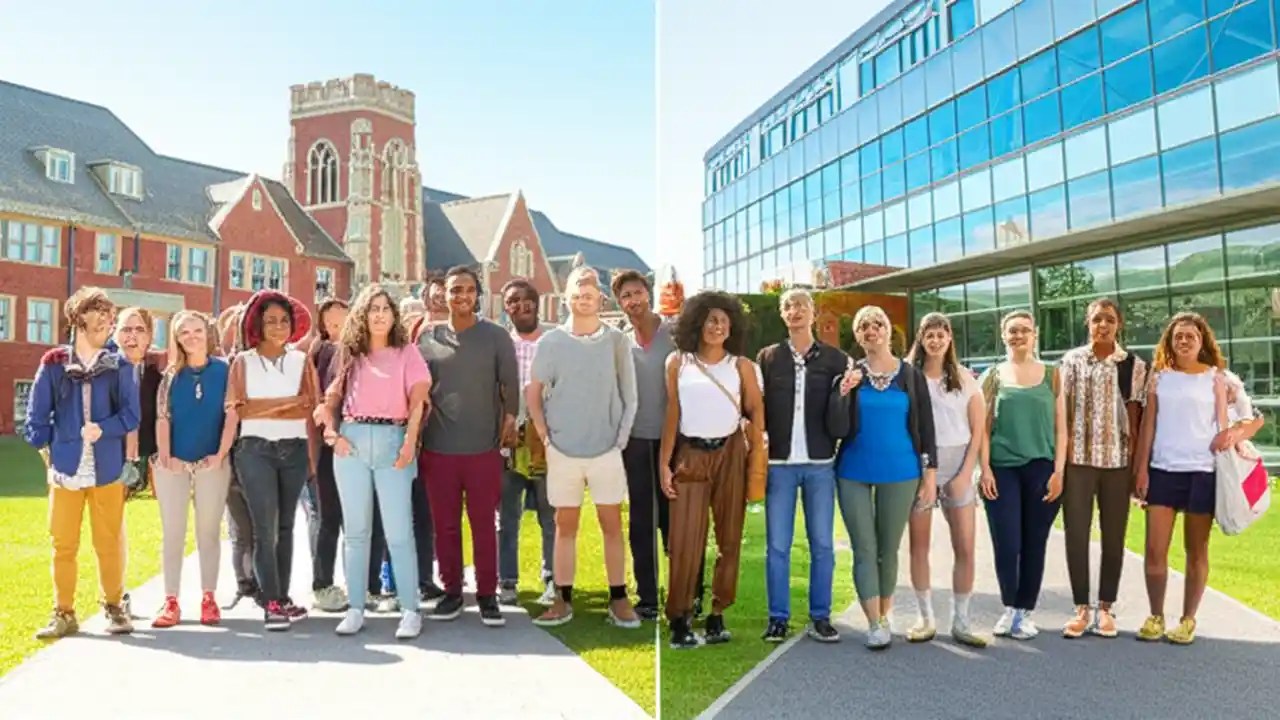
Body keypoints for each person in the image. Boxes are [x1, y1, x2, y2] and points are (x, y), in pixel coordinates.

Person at [1133, 312, 1263, 645]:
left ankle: (1188, 620)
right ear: (1170, 341)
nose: (1185, 340)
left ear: (1202, 340)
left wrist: (1232, 434)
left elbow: (1247, 419)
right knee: (1154, 550)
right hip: (1163, 470)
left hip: (1202, 472)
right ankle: (1155, 616)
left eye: (1192, 335)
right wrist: (1141, 469)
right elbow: (1147, 427)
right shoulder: (1159, 378)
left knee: (1196, 550)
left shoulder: (1218, 378)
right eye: (1179, 336)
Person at [527, 267, 641, 629]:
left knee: (611, 525)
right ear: (567, 298)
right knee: (565, 526)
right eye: (578, 289)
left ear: (600, 299)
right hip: (562, 449)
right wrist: (545, 436)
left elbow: (630, 396)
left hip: (606, 449)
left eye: (591, 290)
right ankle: (561, 599)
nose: (584, 295)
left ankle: (619, 599)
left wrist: (619, 440)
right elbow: (533, 392)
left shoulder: (617, 342)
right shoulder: (551, 343)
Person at [25, 286, 140, 638]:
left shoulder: (120, 365)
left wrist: (101, 430)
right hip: (65, 471)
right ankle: (64, 612)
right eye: (98, 313)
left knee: (107, 542)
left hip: (106, 469)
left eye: (109, 315)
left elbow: (131, 416)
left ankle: (115, 607)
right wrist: (48, 453)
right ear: (78, 318)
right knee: (63, 544)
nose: (107, 320)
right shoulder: (54, 364)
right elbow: (36, 418)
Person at [317, 285, 431, 639]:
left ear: (394, 315)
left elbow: (418, 400)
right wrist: (332, 435)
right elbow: (329, 399)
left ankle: (411, 609)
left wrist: (410, 442)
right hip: (351, 442)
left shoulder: (407, 353)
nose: (380, 314)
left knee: (398, 532)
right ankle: (354, 608)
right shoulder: (350, 354)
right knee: (355, 533)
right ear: (362, 316)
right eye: (372, 308)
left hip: (393, 441)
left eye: (386, 308)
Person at [661, 291, 766, 649]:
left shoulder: (742, 367)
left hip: (731, 454)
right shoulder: (678, 362)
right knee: (685, 541)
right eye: (710, 320)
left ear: (731, 327)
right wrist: (664, 463)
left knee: (729, 539)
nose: (717, 326)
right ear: (697, 323)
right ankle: (679, 617)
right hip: (690, 453)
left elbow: (756, 416)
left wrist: (755, 468)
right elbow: (672, 416)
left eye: (723, 320)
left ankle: (717, 614)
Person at [417, 265, 519, 626]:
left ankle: (488, 595)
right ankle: (452, 592)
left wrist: (509, 422)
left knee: (482, 523)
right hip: (438, 448)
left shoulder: (496, 337)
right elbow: (418, 392)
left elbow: (510, 385)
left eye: (468, 290)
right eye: (454, 289)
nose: (461, 296)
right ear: (442, 295)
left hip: (483, 448)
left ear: (478, 295)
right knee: (444, 524)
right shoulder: (427, 339)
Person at [835, 305, 937, 650]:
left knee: (887, 549)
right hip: (853, 471)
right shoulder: (849, 375)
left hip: (901, 470)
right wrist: (842, 393)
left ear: (889, 331)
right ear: (858, 336)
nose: (871, 330)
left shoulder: (910, 375)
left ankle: (885, 610)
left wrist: (930, 474)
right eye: (863, 326)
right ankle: (875, 623)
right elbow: (833, 425)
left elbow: (926, 428)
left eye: (878, 324)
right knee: (864, 548)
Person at [758, 289, 855, 644]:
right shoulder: (768, 358)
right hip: (780, 465)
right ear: (783, 315)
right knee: (778, 546)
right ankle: (778, 618)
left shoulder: (836, 359)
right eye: (788, 306)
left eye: (801, 305)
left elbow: (844, 414)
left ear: (813, 313)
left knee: (822, 545)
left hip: (820, 464)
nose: (794, 311)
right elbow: (757, 408)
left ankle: (821, 617)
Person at [225, 290, 321, 631]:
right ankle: (271, 603)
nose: (278, 327)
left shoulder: (301, 361)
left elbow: (311, 404)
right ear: (257, 325)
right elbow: (239, 408)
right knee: (265, 528)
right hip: (254, 451)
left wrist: (266, 406)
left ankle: (283, 595)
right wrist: (285, 405)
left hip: (293, 450)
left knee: (286, 527)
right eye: (270, 321)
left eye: (284, 321)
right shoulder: (243, 362)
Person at [1058, 299, 1148, 639]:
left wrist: (1139, 469)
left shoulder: (1133, 366)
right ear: (1088, 323)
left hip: (1117, 463)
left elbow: (1137, 419)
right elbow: (1062, 414)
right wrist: (1060, 464)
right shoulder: (1071, 361)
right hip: (1078, 462)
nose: (1103, 325)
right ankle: (1081, 607)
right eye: (1097, 319)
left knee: (1114, 537)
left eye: (1109, 320)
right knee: (1076, 535)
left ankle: (1106, 607)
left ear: (1119, 324)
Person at [978, 310, 1066, 641]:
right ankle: (1009, 608)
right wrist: (983, 468)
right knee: (1007, 542)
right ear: (1004, 336)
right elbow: (982, 428)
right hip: (1001, 468)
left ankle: (1025, 612)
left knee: (1034, 542)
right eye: (1012, 331)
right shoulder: (992, 376)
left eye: (1024, 331)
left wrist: (1059, 471)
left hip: (1041, 468)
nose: (1018, 336)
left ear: (1035, 335)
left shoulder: (1052, 375)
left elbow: (1062, 428)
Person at [903, 312, 987, 647]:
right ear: (921, 338)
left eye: (941, 334)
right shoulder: (909, 377)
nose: (935, 340)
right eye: (929, 335)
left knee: (965, 547)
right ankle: (925, 618)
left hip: (958, 467)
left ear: (950, 338)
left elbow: (979, 429)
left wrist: (967, 472)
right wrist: (924, 474)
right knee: (919, 546)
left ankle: (962, 621)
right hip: (921, 467)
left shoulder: (966, 379)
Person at [151, 310, 235, 627]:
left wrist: (221, 453)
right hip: (174, 464)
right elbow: (163, 418)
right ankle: (171, 601)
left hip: (212, 463)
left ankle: (208, 598)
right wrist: (166, 456)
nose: (191, 337)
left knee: (208, 532)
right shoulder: (171, 376)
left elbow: (232, 415)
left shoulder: (224, 370)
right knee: (173, 533)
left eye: (196, 330)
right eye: (183, 332)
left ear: (207, 333)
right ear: (176, 338)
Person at [613, 270, 676, 620]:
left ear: (648, 294)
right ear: (620, 304)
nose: (633, 301)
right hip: (635, 443)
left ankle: (686, 593)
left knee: (675, 521)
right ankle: (649, 596)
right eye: (626, 296)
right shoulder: (621, 342)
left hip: (674, 442)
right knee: (641, 521)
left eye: (637, 293)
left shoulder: (676, 334)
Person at [497, 279, 558, 607]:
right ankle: (507, 579)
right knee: (507, 515)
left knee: (550, 514)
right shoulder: (501, 343)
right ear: (506, 308)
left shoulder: (554, 340)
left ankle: (551, 579)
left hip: (546, 438)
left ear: (537, 302)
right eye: (512, 301)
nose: (520, 305)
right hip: (509, 440)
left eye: (526, 299)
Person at [110, 307, 165, 619]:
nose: (132, 335)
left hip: (152, 453)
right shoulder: (104, 370)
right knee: (112, 527)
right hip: (113, 456)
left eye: (139, 329)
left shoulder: (158, 374)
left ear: (149, 336)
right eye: (126, 329)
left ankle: (170, 596)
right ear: (116, 333)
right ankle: (117, 594)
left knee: (170, 523)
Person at [216, 303, 260, 609]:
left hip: (261, 457)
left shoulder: (268, 365)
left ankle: (260, 583)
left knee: (260, 528)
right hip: (233, 458)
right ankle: (245, 584)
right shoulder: (227, 367)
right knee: (240, 528)